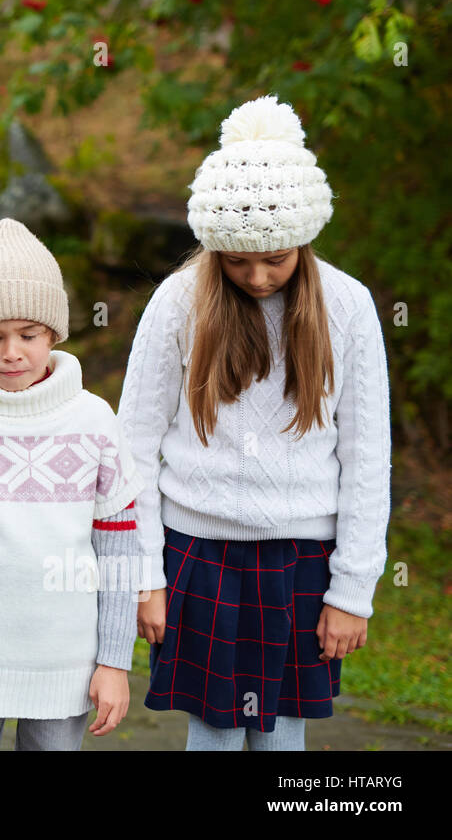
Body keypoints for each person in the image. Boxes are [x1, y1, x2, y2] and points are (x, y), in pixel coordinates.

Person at [119, 94, 392, 750]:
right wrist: (143, 575)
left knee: (282, 737)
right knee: (211, 735)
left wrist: (353, 590)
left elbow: (368, 458)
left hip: (303, 559)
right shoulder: (178, 302)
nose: (259, 275)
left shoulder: (349, 308)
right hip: (199, 553)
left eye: (277, 257)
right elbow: (131, 445)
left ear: (305, 237)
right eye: (239, 261)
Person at [0, 218, 144, 750]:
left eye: (28, 335)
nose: (11, 352)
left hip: (66, 659)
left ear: (54, 333)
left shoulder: (94, 421)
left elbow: (119, 547)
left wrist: (113, 661)